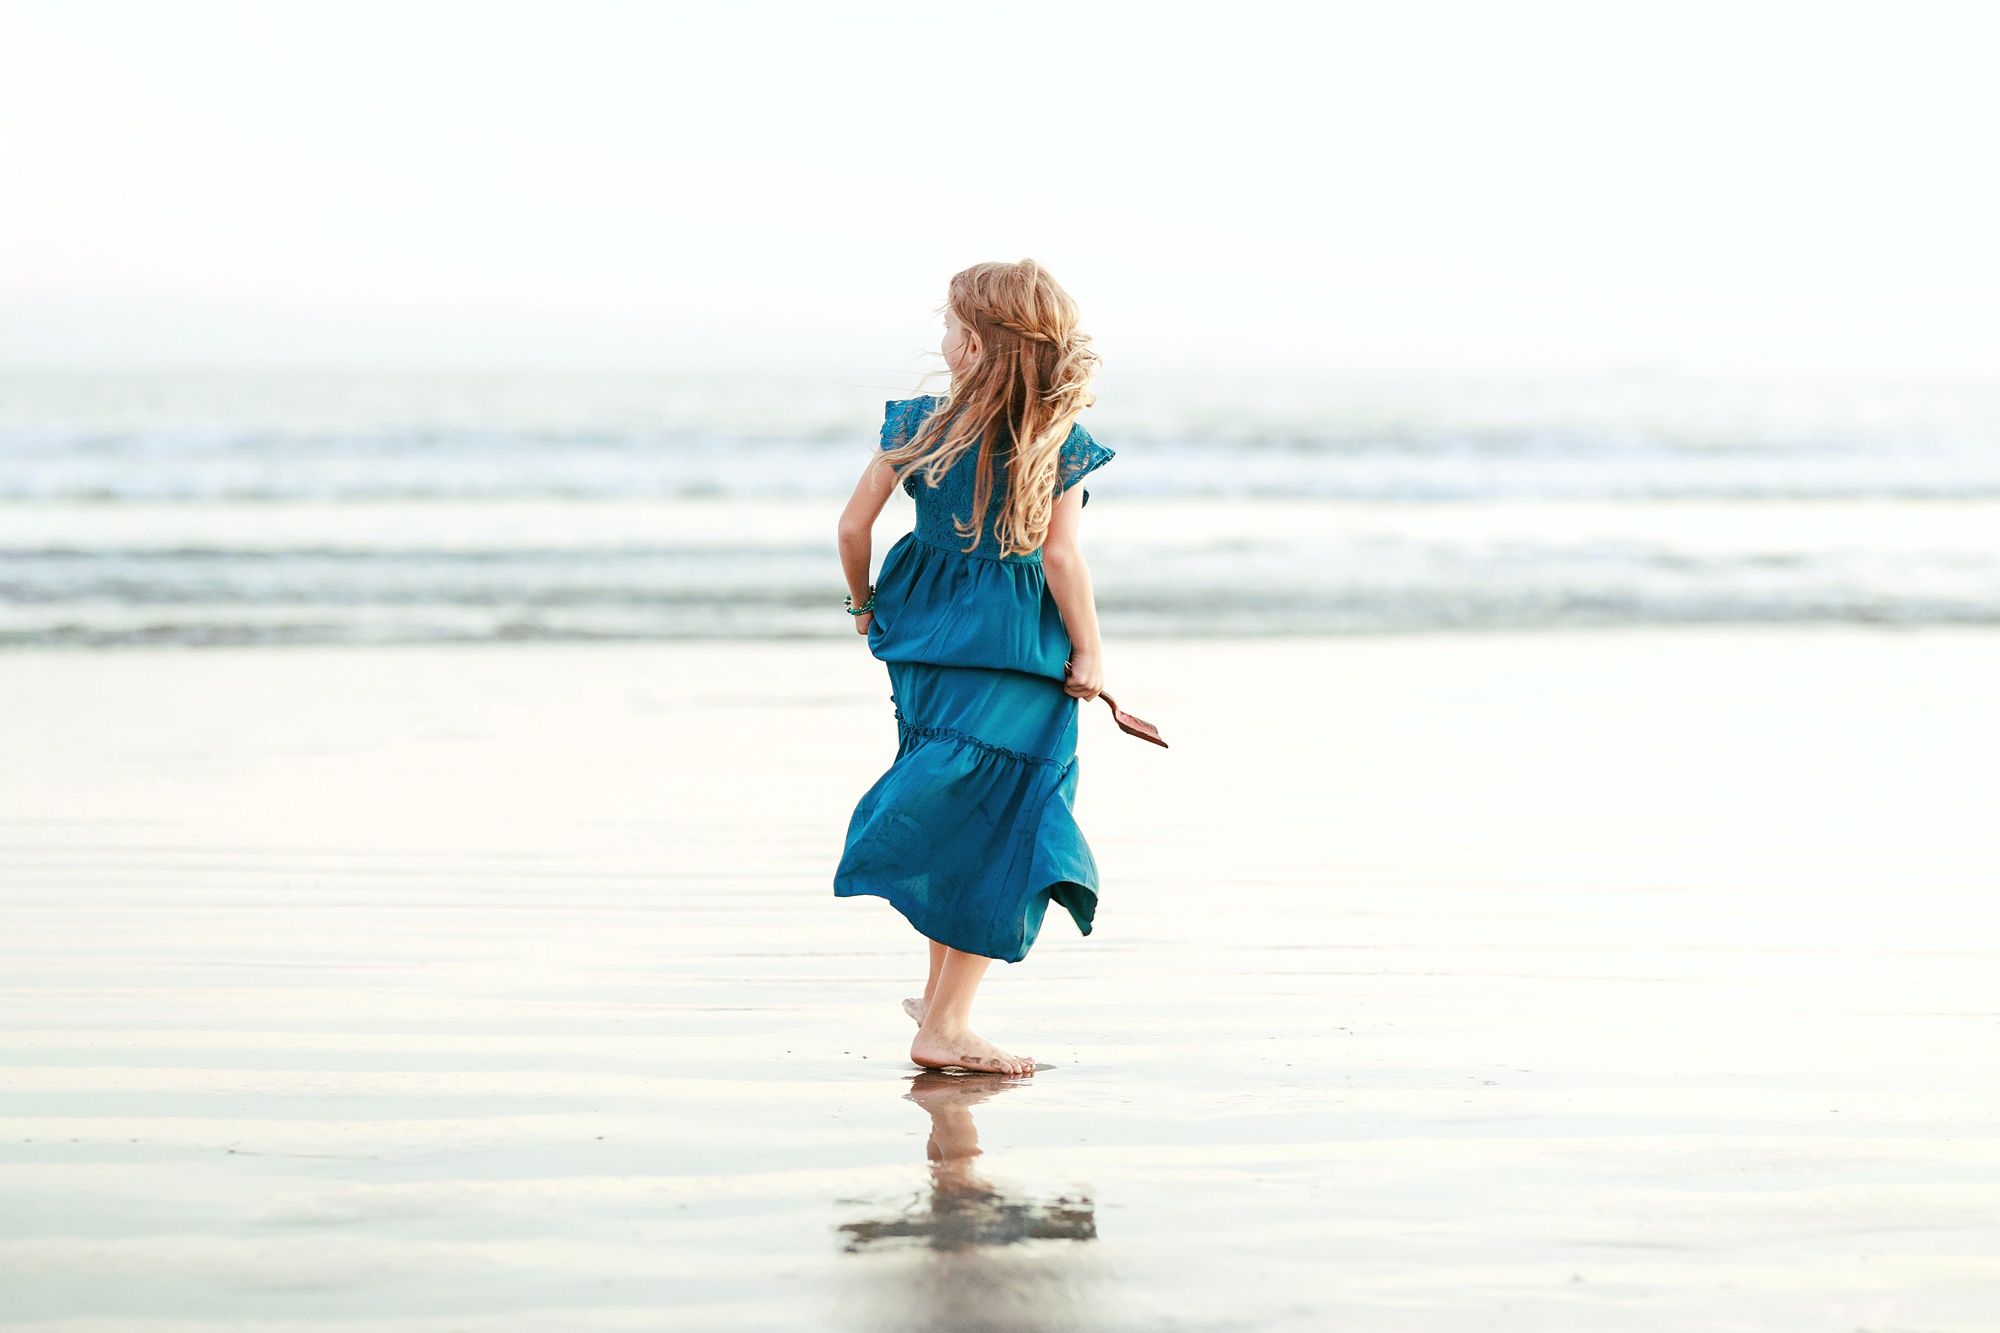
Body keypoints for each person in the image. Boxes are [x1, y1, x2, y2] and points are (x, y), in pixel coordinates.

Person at [834, 259, 1113, 1076]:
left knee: (961, 806)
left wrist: (863, 608)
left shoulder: (918, 424)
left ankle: (939, 1001)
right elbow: (1061, 558)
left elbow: (854, 529)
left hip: (925, 646)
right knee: (1011, 814)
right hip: (1016, 654)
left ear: (980, 344)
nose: (944, 339)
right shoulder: (1054, 440)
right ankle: (948, 1022)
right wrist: (1090, 650)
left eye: (952, 325)